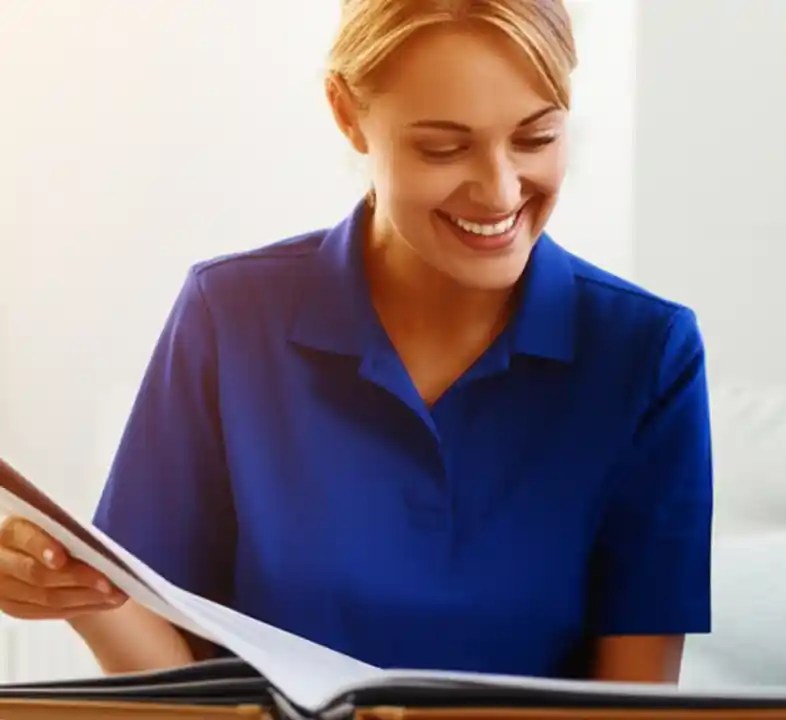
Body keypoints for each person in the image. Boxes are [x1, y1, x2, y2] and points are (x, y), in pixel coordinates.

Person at [0, 0, 712, 683]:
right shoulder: (230, 316)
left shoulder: (647, 355)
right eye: (443, 146)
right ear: (347, 113)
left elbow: (636, 701)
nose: (499, 192)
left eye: (536, 138)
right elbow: (165, 667)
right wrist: (73, 592)